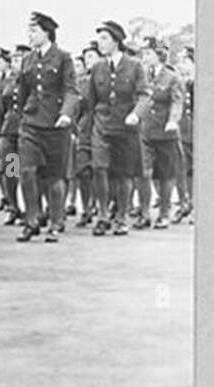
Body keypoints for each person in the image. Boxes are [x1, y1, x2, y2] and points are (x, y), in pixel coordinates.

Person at [81, 20, 150, 236]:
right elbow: (90, 102)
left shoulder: (135, 66)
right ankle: (102, 214)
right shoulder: (98, 68)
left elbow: (144, 96)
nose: (100, 43)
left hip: (126, 128)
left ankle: (121, 216)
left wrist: (135, 115)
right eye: (99, 38)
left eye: (105, 38)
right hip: (101, 127)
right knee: (99, 168)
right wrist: (82, 130)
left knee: (124, 173)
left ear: (117, 41)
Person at [14, 12, 77, 244]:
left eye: (33, 30)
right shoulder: (27, 60)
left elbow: (72, 90)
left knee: (54, 176)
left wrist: (66, 114)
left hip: (56, 126)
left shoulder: (63, 57)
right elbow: (22, 92)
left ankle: (55, 222)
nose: (29, 35)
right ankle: (31, 220)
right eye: (28, 30)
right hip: (31, 125)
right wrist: (21, 117)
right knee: (26, 171)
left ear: (46, 32)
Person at [136, 37, 184, 229]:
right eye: (144, 54)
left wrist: (173, 121)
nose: (145, 57)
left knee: (165, 175)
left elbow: (177, 101)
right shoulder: (142, 75)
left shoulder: (172, 77)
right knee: (143, 173)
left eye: (148, 53)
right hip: (145, 131)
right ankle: (145, 213)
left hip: (165, 133)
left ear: (160, 55)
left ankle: (164, 213)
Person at [0, 45, 28, 224]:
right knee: (10, 171)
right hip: (10, 130)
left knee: (27, 172)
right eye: (14, 60)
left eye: (20, 59)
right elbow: (0, 106)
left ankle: (29, 208)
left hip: (27, 129)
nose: (17, 64)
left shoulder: (31, 81)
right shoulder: (8, 81)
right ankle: (13, 206)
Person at [72, 44, 101, 226]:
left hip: (104, 127)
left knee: (102, 170)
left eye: (92, 56)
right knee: (82, 170)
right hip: (84, 129)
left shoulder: (107, 78)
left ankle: (106, 207)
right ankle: (87, 208)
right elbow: (76, 107)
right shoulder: (81, 82)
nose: (89, 60)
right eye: (87, 57)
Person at [175, 47, 194, 222]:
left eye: (185, 61)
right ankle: (189, 202)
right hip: (185, 132)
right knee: (186, 168)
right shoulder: (183, 82)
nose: (181, 65)